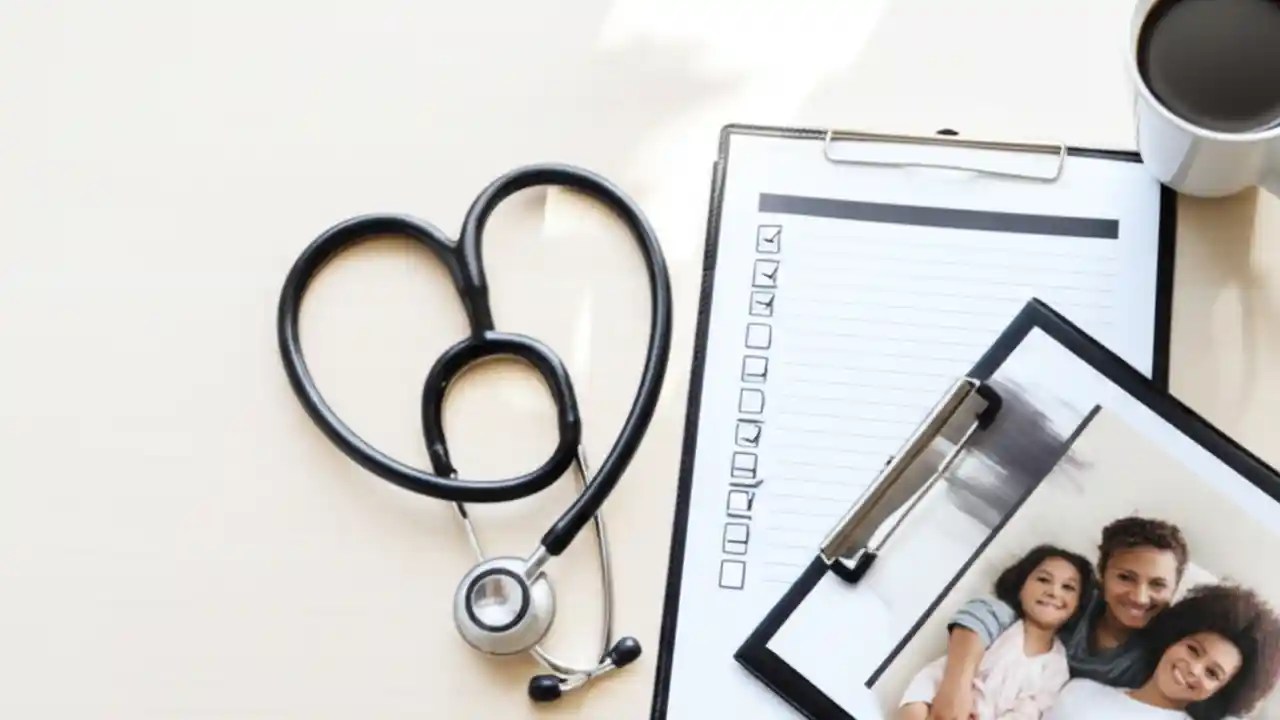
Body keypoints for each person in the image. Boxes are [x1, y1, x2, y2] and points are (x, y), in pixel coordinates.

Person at [925, 516, 1189, 720]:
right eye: (1125, 578)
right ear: (1102, 574)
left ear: (1174, 589)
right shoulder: (1073, 603)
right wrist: (955, 688)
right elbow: (986, 613)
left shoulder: (1159, 655)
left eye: (1157, 585)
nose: (1140, 597)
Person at [896, 545, 1095, 720]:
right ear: (1020, 587)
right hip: (941, 697)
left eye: (1068, 587)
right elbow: (943, 672)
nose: (1054, 592)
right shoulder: (1000, 624)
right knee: (918, 702)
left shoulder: (1057, 666)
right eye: (1043, 580)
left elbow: (1029, 712)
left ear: (1078, 605)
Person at [1044, 583, 1280, 720]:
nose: (1194, 669)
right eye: (1193, 650)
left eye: (1212, 673)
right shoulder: (1080, 691)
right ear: (1174, 639)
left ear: (1222, 691)